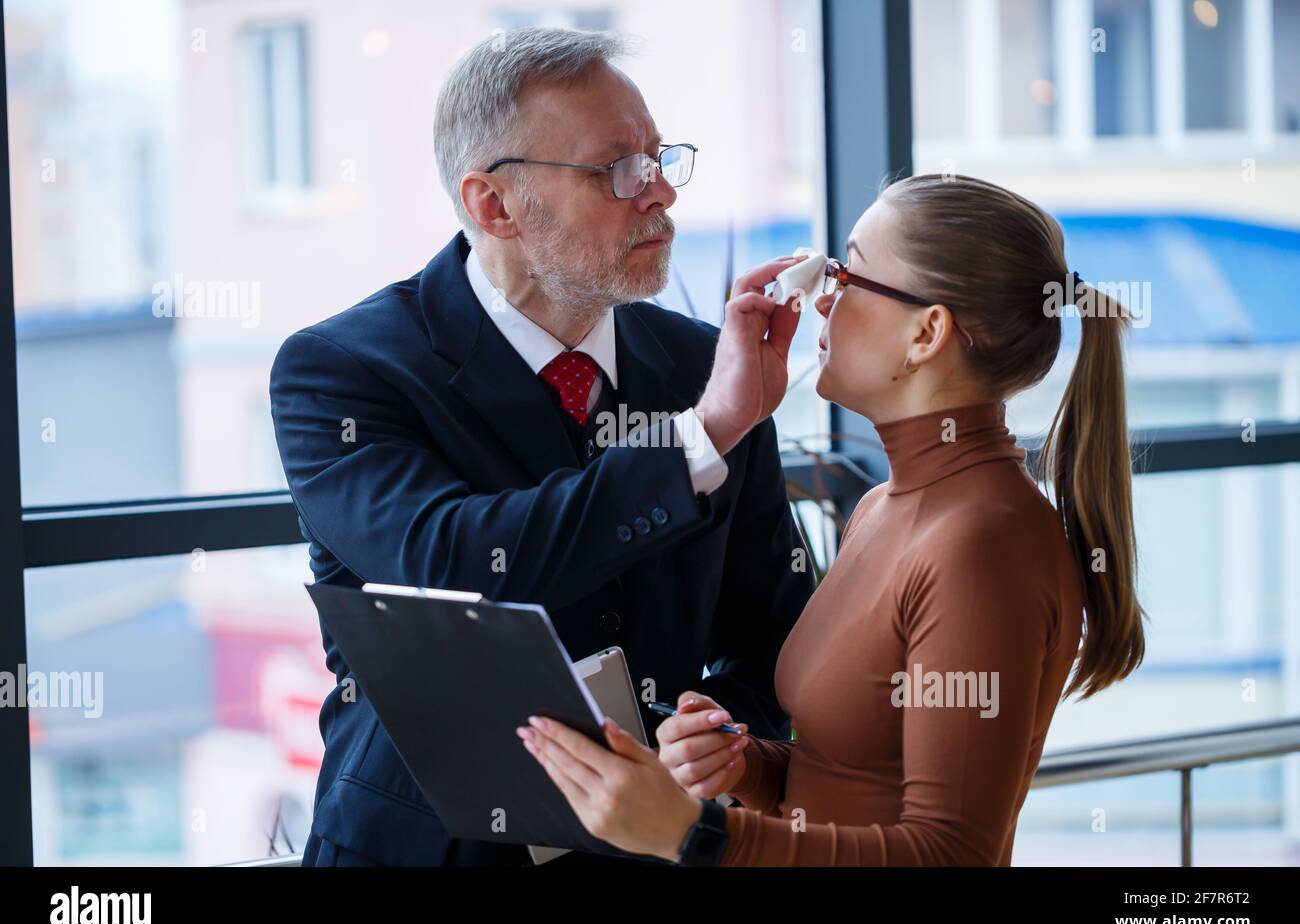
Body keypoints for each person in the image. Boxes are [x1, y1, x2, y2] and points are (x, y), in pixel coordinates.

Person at [268, 27, 816, 866]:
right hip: (425, 850)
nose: (660, 192)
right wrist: (700, 438)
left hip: (648, 846)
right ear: (494, 204)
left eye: (662, 159)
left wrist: (717, 732)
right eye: (618, 169)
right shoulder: (341, 372)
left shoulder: (706, 363)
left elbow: (773, 634)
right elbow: (450, 563)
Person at [519, 173, 1149, 866]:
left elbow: (951, 853)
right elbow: (850, 779)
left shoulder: (981, 542)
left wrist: (693, 833)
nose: (821, 297)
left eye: (847, 273)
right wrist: (742, 763)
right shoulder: (885, 508)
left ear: (927, 332)